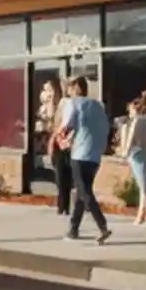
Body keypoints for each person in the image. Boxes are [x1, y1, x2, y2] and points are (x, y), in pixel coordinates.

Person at [55, 75, 112, 244]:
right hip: (95, 155)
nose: (67, 90)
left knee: (84, 191)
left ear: (74, 88)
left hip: (80, 152)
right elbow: (106, 128)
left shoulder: (73, 104)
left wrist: (62, 138)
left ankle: (102, 226)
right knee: (82, 192)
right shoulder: (98, 105)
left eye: (69, 87)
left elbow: (66, 126)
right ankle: (73, 229)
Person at [119, 98, 146, 226]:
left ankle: (142, 214)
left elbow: (131, 138)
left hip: (136, 154)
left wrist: (125, 152)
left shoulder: (136, 121)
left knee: (143, 186)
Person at [46, 80, 73, 215]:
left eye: (50, 90)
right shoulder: (56, 104)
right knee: (60, 175)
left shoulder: (67, 103)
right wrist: (51, 101)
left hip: (65, 141)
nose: (48, 93)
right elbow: (50, 118)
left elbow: (65, 123)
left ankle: (64, 205)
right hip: (57, 141)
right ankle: (62, 205)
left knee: (64, 175)